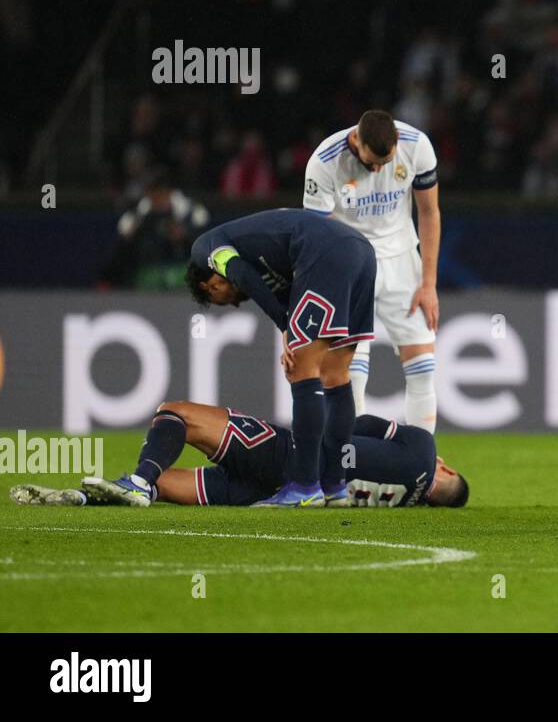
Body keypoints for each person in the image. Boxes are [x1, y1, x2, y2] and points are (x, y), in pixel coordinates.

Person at [178, 208, 376, 507]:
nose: (234, 300)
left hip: (324, 252)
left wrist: (285, 325)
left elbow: (242, 274)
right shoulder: (266, 259)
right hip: (361, 251)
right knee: (336, 376)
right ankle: (335, 485)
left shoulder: (205, 249)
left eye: (224, 299)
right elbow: (289, 294)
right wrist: (290, 325)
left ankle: (305, 486)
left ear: (211, 284)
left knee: (302, 370)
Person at [10, 400, 468, 509]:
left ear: (447, 468)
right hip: (281, 496)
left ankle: (138, 482)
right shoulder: (410, 500)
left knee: (175, 414)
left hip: (290, 457)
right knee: (170, 488)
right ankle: (93, 497)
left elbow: (363, 425)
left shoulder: (424, 449)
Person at [304, 109, 442, 435]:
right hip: (349, 263)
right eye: (370, 163)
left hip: (402, 259)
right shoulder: (324, 163)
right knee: (350, 373)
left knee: (423, 368)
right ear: (356, 140)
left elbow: (429, 211)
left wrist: (429, 283)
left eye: (385, 162)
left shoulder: (416, 146)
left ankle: (424, 463)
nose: (378, 169)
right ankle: (354, 462)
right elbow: (315, 238)